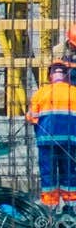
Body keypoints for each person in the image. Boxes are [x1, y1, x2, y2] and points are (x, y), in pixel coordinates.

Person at [27, 63, 76, 208]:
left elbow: (31, 118)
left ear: (50, 75)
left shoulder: (41, 93)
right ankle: (71, 208)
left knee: (48, 174)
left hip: (46, 141)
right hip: (70, 142)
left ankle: (50, 208)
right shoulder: (74, 92)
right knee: (69, 174)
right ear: (67, 75)